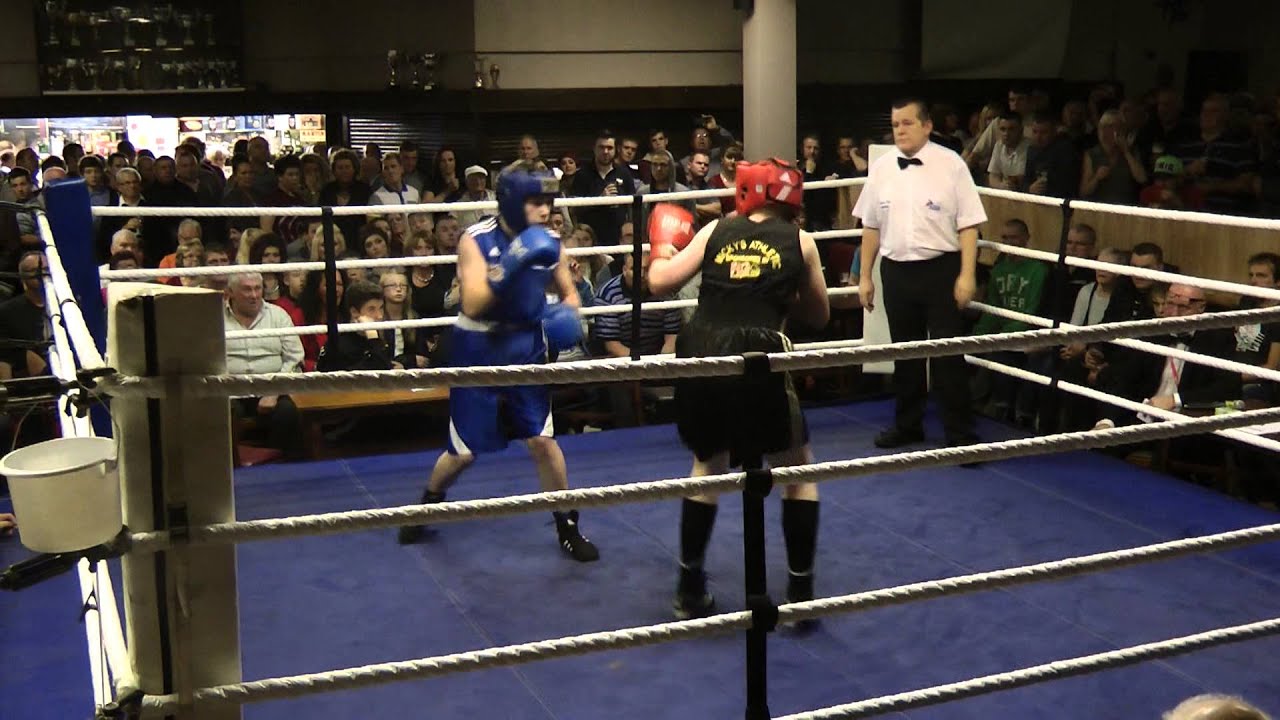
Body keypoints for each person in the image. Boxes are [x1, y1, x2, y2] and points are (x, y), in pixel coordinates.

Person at [647, 158, 829, 620]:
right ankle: (802, 596)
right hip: (759, 353)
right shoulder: (801, 241)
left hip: (701, 348)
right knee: (797, 470)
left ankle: (689, 589)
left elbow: (659, 282)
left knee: (708, 463)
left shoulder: (714, 231)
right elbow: (820, 315)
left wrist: (662, 247)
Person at [397, 164, 599, 563]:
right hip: (479, 345)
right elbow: (471, 303)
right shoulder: (475, 240)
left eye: (548, 203)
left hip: (526, 343)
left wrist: (567, 315)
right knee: (464, 451)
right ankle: (428, 502)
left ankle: (567, 525)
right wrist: (512, 263)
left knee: (541, 440)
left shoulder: (551, 241)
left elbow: (570, 294)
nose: (545, 211)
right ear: (511, 202)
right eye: (536, 202)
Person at [855, 98, 986, 453]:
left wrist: (967, 275)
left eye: (908, 123)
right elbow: (870, 226)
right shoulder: (882, 167)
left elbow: (970, 224)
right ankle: (908, 425)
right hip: (895, 270)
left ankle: (960, 434)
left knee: (947, 355)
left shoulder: (951, 165)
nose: (900, 130)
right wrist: (864, 277)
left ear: (927, 126)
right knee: (906, 354)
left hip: (940, 269)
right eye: (896, 124)